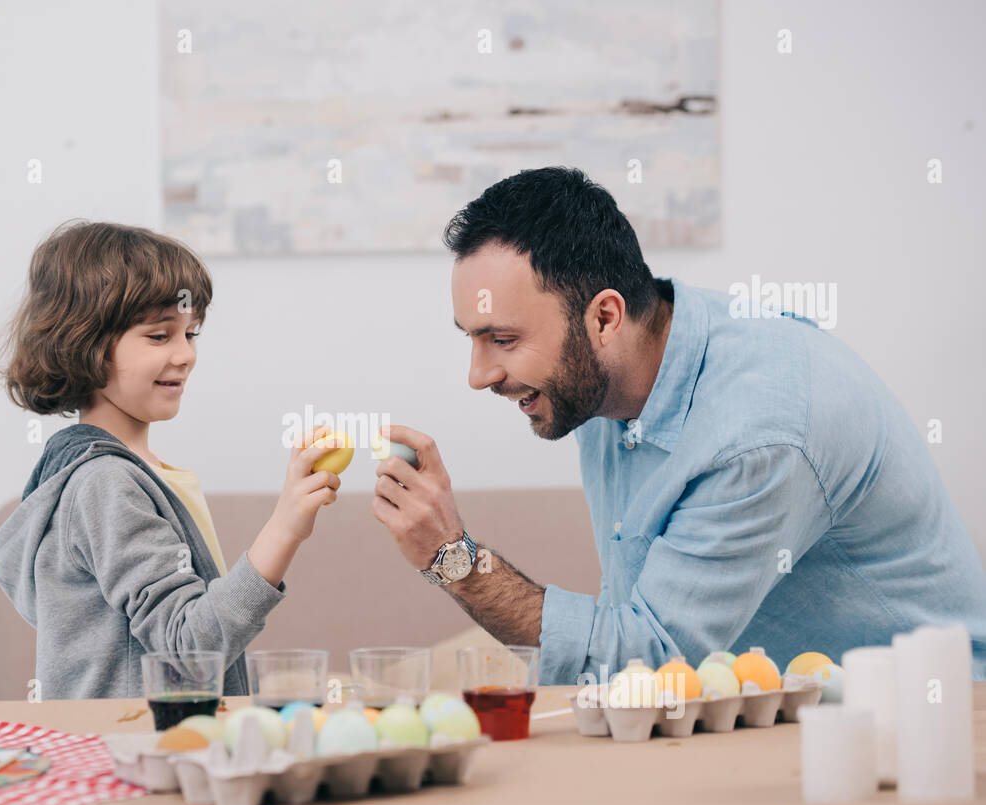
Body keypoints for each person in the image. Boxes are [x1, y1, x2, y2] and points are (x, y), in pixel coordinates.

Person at [371, 167, 986, 684]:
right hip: (767, 708)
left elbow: (649, 664)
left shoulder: (760, 432)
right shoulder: (606, 372)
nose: (478, 376)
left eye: (502, 339)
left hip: (928, 720)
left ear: (605, 317)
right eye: (474, 340)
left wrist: (454, 559)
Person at [0, 221, 341, 698]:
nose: (186, 355)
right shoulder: (105, 483)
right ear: (85, 343)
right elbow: (189, 648)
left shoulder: (123, 472)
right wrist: (285, 527)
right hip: (133, 747)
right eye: (159, 336)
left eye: (190, 334)